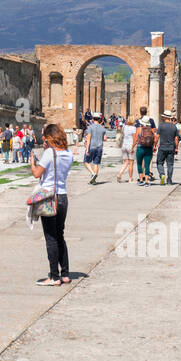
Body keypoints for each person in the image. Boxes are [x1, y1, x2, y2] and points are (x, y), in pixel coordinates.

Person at [31, 123, 74, 286]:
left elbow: (37, 174)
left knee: (50, 238)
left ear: (49, 138)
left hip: (49, 197)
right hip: (63, 197)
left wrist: (32, 163)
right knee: (60, 235)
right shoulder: (68, 154)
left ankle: (54, 277)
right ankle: (65, 274)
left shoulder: (49, 153)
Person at [155, 109, 180, 185]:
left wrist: (154, 145)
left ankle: (162, 174)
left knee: (159, 163)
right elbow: (176, 139)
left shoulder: (161, 125)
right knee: (170, 164)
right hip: (171, 147)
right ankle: (169, 180)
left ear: (164, 117)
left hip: (162, 147)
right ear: (169, 118)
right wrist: (176, 148)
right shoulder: (174, 126)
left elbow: (157, 137)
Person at [82, 112, 107, 183]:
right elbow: (105, 138)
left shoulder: (90, 127)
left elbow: (89, 139)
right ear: (99, 119)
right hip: (99, 147)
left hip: (92, 147)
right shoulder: (102, 128)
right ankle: (94, 180)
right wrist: (99, 138)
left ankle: (93, 173)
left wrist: (87, 149)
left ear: (92, 119)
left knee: (86, 162)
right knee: (96, 163)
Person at [134, 108, 156, 185]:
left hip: (140, 147)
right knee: (147, 165)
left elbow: (136, 138)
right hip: (149, 147)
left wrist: (133, 147)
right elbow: (155, 137)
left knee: (139, 163)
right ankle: (147, 181)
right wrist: (154, 146)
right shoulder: (151, 128)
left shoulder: (139, 128)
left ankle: (141, 180)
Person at [116, 115, 137, 183]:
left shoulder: (124, 127)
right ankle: (130, 179)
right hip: (130, 146)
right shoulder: (133, 128)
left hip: (124, 145)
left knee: (126, 162)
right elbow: (134, 139)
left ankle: (119, 174)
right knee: (131, 163)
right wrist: (133, 147)